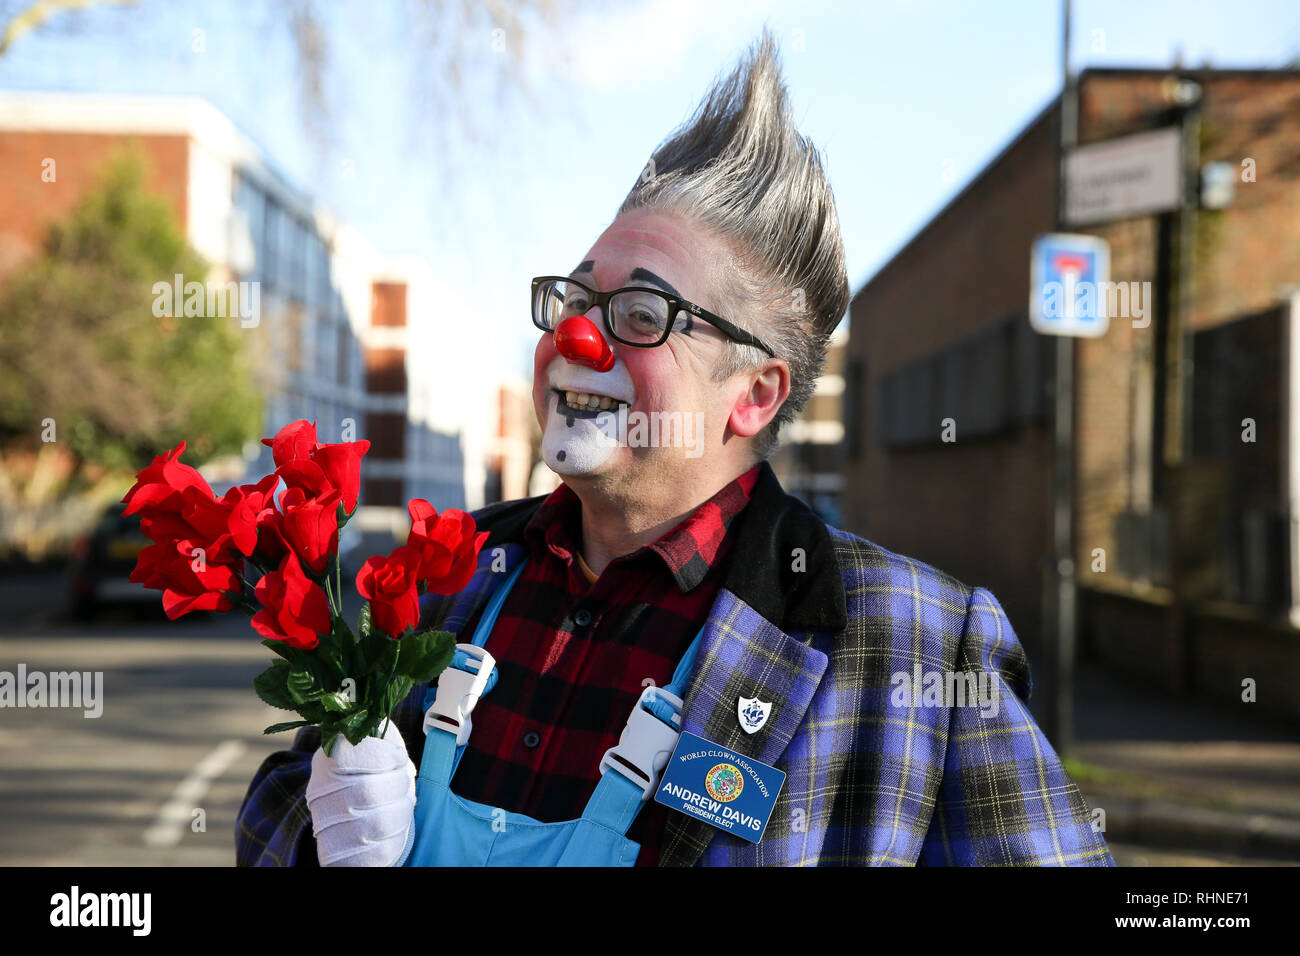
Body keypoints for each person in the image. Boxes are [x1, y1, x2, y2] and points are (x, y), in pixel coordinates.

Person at [236, 28, 1114, 868]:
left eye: (642, 315)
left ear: (754, 393)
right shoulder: (451, 572)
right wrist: (319, 839)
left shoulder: (913, 643)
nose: (578, 339)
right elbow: (283, 800)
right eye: (576, 301)